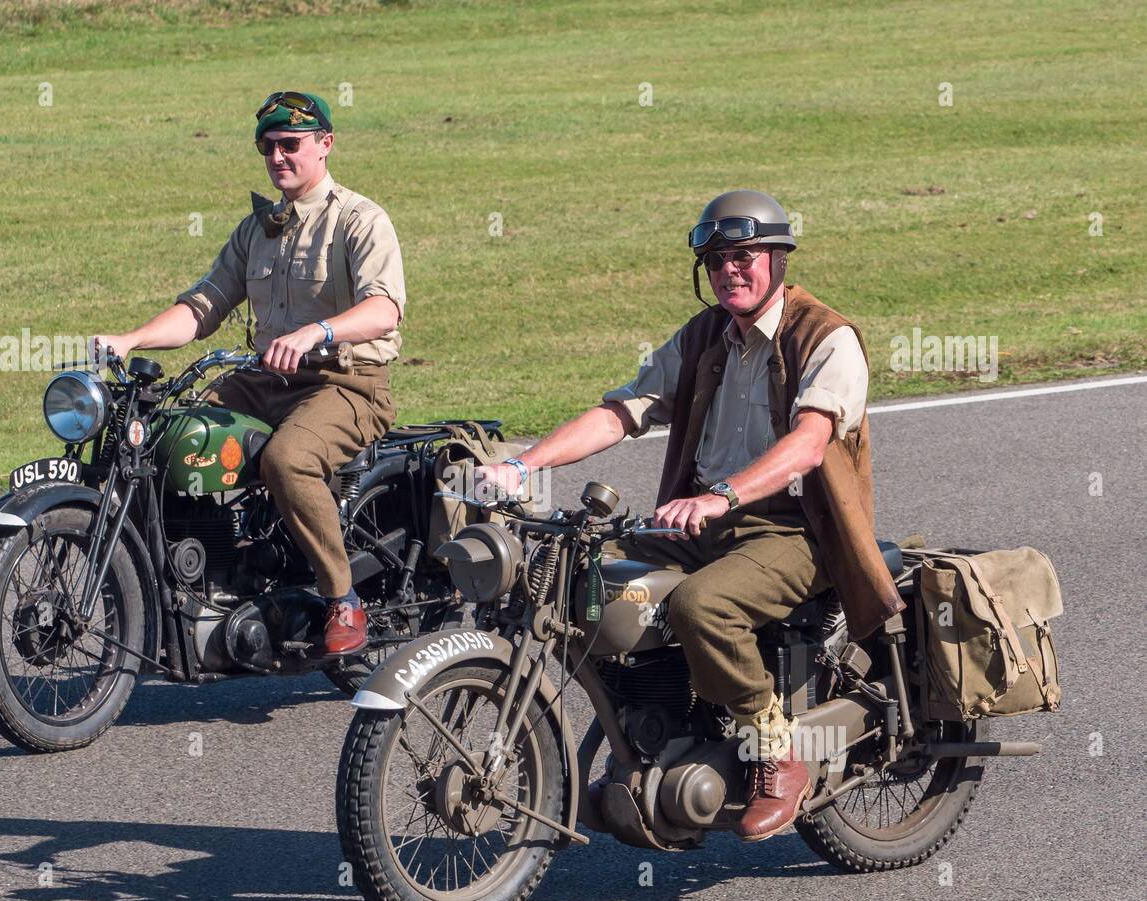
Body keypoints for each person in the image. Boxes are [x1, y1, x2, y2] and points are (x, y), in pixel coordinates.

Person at [475, 189, 904, 840]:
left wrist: (721, 495)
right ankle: (652, 732)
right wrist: (523, 465)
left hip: (798, 528)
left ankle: (776, 749)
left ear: (778, 259)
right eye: (715, 260)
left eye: (744, 256)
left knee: (702, 607)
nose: (728, 269)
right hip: (702, 521)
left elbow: (808, 444)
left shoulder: (826, 337)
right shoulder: (705, 338)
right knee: (587, 589)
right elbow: (622, 411)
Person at [92, 90, 407, 654]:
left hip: (346, 383)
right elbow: (203, 306)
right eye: (268, 147)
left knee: (287, 460)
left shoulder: (360, 220)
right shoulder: (256, 229)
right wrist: (132, 337)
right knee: (166, 445)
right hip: (265, 380)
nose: (278, 157)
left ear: (325, 145)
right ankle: (187, 583)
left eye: (291, 144)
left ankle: (343, 599)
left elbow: (385, 308)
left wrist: (320, 331)